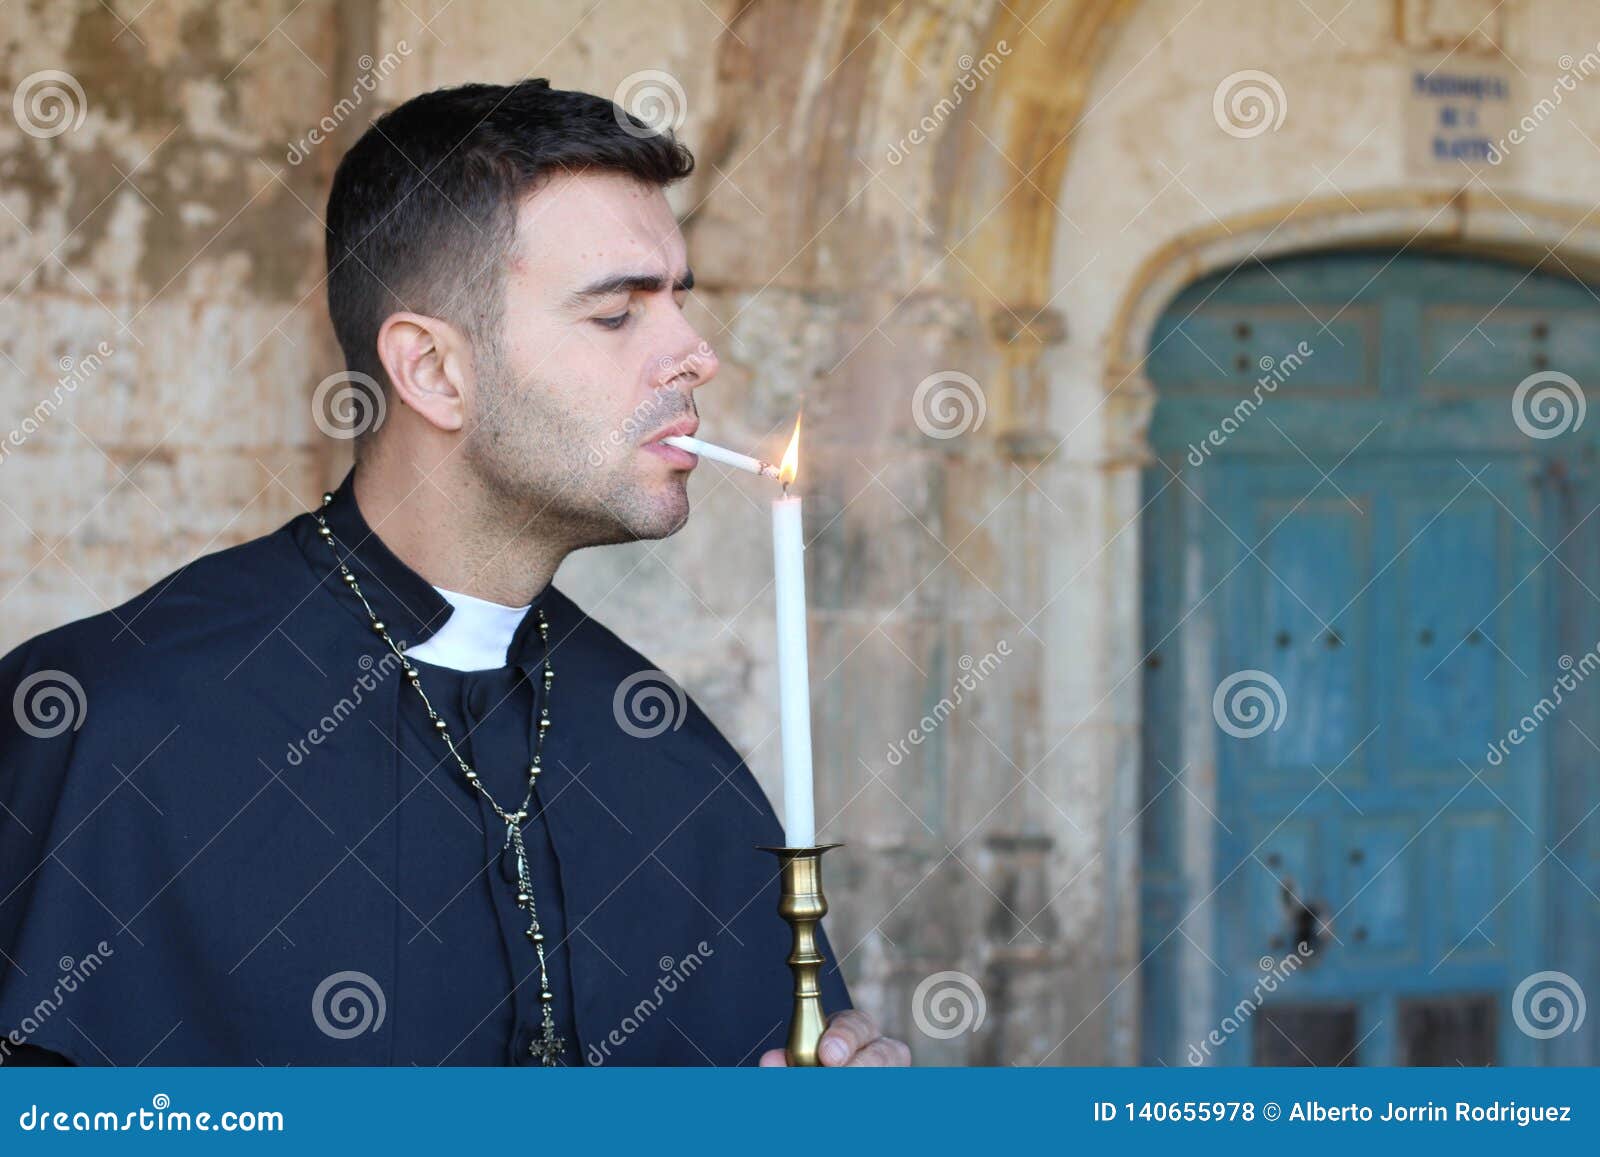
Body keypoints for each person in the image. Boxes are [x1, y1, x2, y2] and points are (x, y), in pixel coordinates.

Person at [0, 79, 909, 1068]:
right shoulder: (112, 728)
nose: (695, 355)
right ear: (432, 370)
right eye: (617, 314)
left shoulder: (673, 759)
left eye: (679, 300)